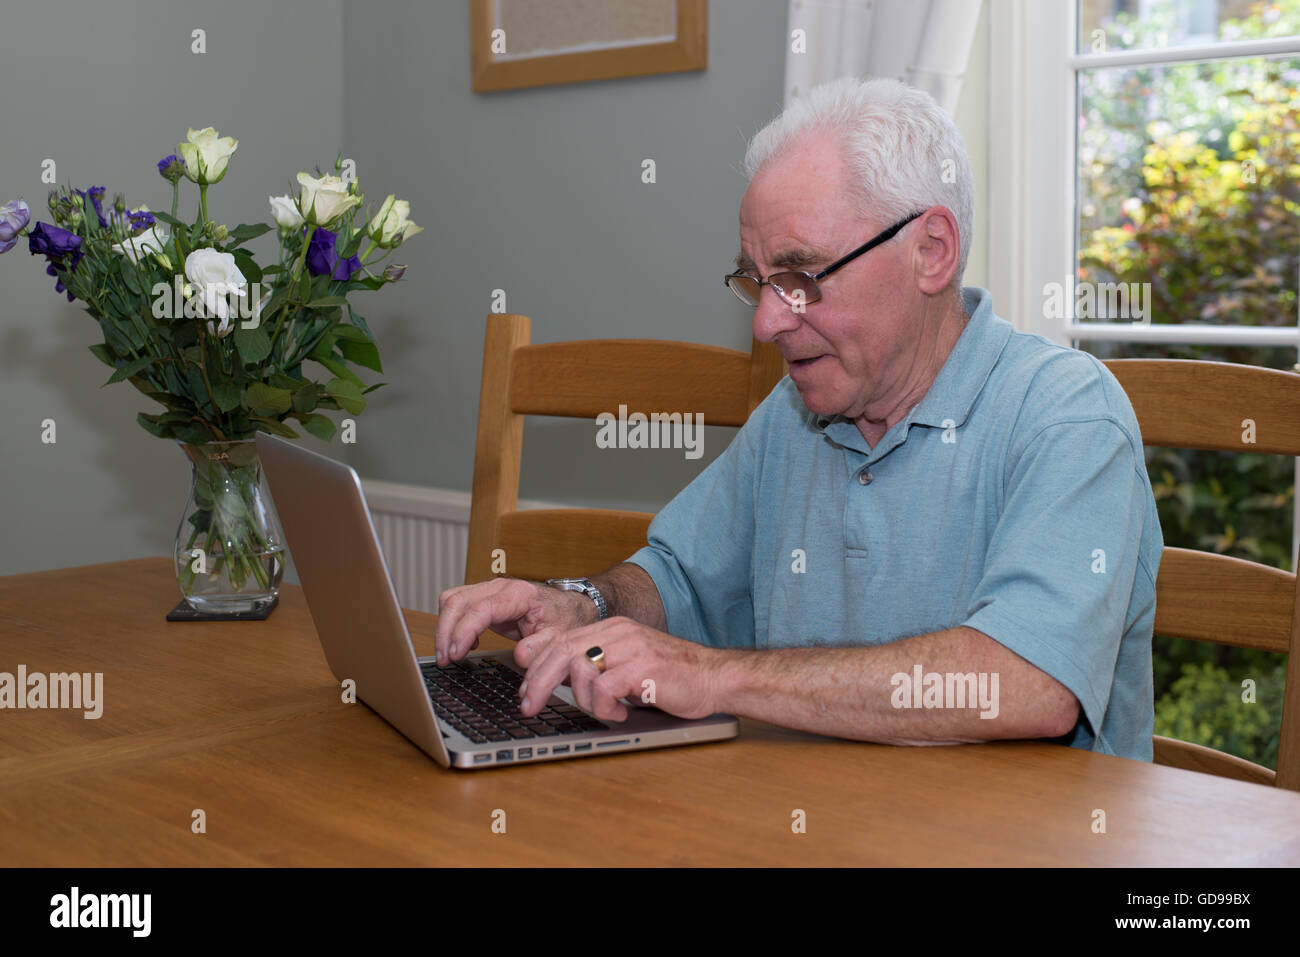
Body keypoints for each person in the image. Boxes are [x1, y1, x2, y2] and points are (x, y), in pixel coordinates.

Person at [435, 77, 1163, 760]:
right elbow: (680, 577)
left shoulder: (1066, 415)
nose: (765, 323)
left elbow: (1026, 683)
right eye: (756, 281)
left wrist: (716, 677)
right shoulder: (796, 414)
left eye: (799, 276)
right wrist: (581, 606)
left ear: (930, 252)